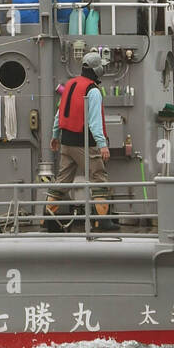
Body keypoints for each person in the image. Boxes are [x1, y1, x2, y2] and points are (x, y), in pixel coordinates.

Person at [46, 51, 111, 228]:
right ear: (97, 69)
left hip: (66, 143)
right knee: (98, 177)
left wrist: (55, 136)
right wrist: (102, 145)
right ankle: (101, 222)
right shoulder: (93, 91)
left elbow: (59, 114)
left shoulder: (70, 85)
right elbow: (95, 122)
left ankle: (48, 219)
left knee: (62, 180)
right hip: (85, 144)